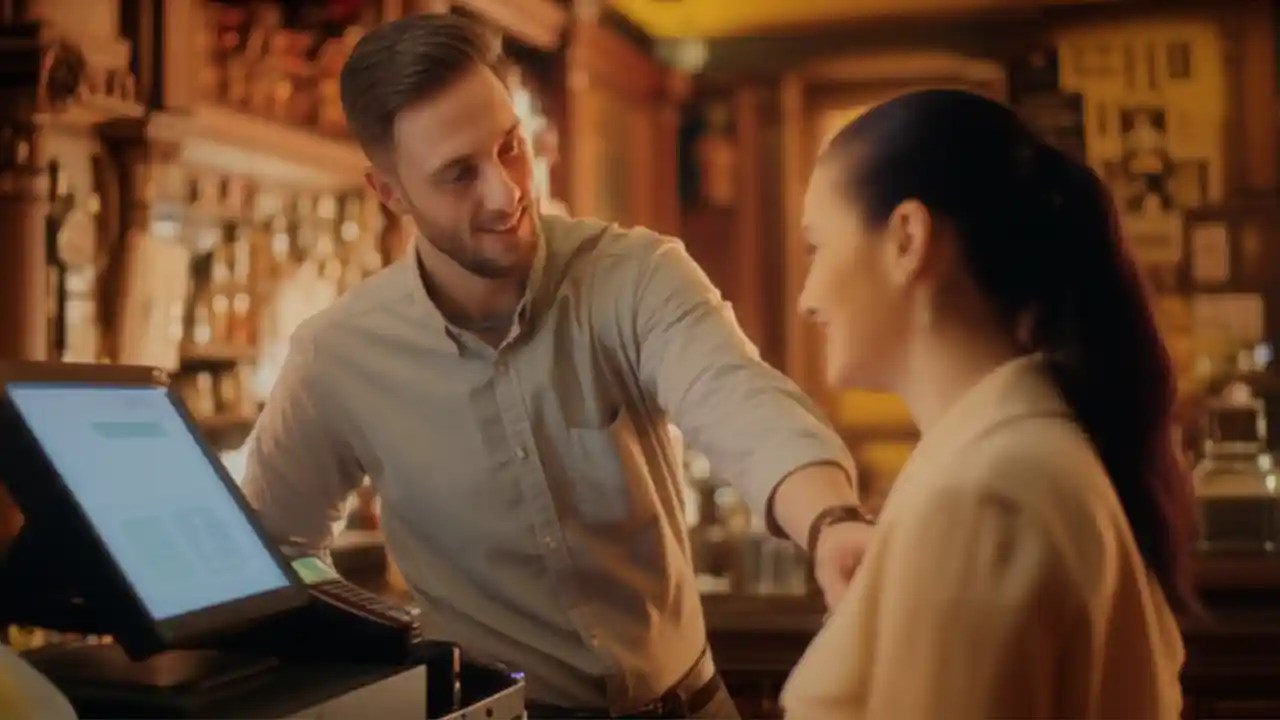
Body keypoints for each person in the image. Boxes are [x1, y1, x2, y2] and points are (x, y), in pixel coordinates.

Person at [241, 14, 871, 719]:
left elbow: (738, 399)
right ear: (390, 192)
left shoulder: (635, 276)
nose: (506, 192)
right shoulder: (338, 357)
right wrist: (383, 667)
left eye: (510, 147)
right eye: (459, 175)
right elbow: (269, 550)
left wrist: (830, 522)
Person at [781, 88, 1196, 719]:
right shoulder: (1024, 455)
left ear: (907, 239)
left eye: (818, 246)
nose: (807, 298)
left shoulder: (980, 496)